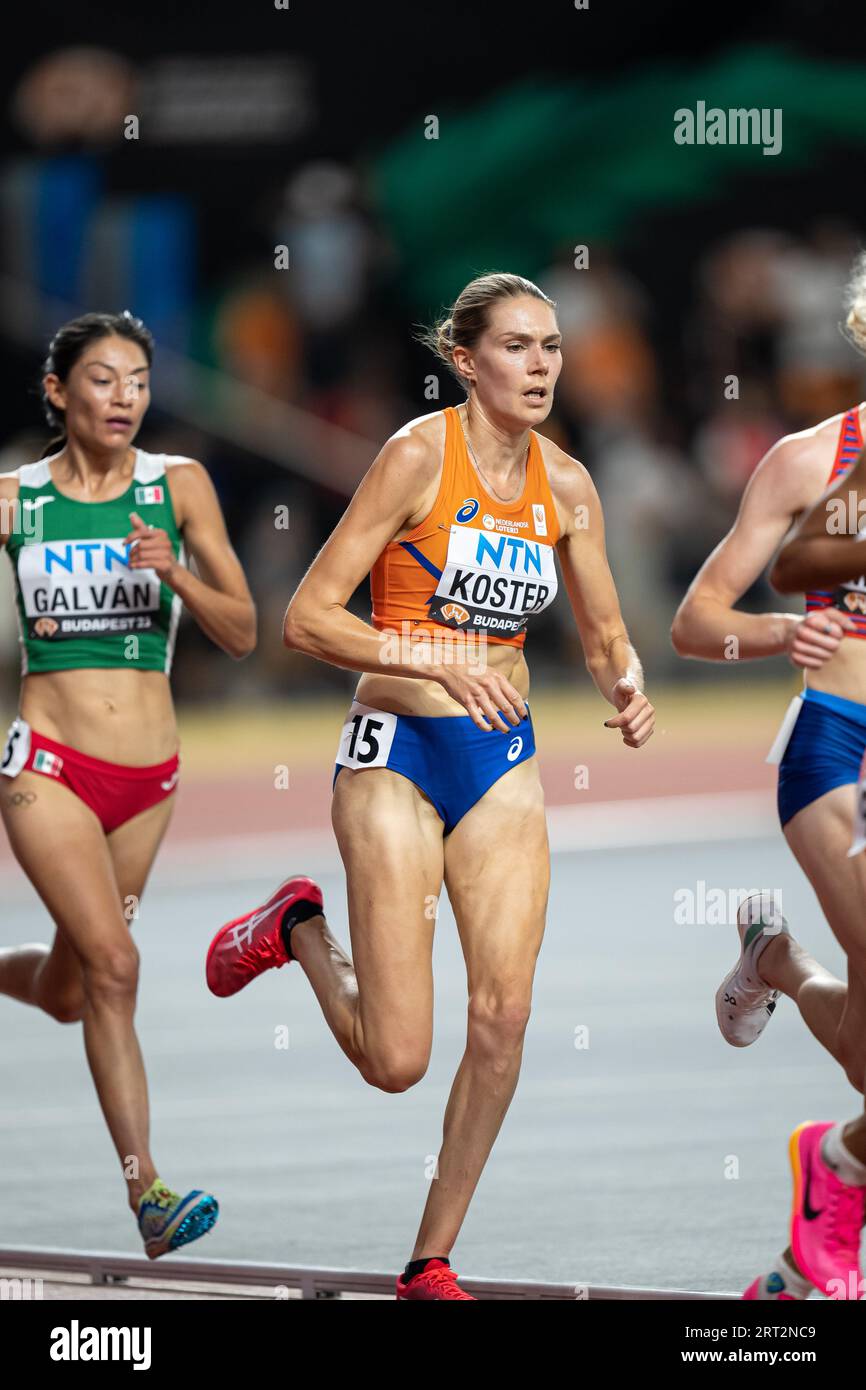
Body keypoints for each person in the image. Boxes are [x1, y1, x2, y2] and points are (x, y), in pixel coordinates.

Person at [205, 272, 655, 1299]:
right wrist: (434, 659)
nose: (540, 365)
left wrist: (624, 688)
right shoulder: (416, 456)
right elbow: (308, 618)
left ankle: (429, 1257)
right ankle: (300, 928)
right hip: (394, 752)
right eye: (516, 347)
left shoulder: (568, 486)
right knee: (396, 1058)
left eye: (550, 347)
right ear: (465, 361)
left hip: (499, 761)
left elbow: (603, 633)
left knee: (501, 1017)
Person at [0, 311, 256, 1257]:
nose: (125, 398)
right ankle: (146, 1189)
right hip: (48, 769)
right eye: (103, 380)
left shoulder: (177, 488)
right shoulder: (16, 501)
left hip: (149, 781)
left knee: (73, 988)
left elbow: (242, 630)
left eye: (139, 380)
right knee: (116, 967)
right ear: (59, 392)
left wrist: (177, 575)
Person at [670, 253, 866, 1300]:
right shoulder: (809, 460)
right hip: (837, 745)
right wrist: (779, 629)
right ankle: (829, 1182)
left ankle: (779, 965)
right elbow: (694, 620)